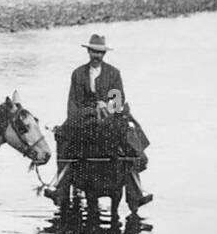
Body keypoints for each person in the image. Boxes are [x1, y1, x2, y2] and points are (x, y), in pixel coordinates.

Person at [44, 33, 151, 207]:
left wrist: (107, 106)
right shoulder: (78, 74)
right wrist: (91, 110)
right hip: (84, 118)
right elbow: (73, 104)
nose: (97, 56)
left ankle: (136, 192)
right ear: (88, 52)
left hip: (110, 118)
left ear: (104, 54)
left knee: (130, 138)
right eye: (94, 52)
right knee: (63, 136)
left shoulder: (113, 73)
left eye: (100, 53)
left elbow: (118, 100)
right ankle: (60, 187)